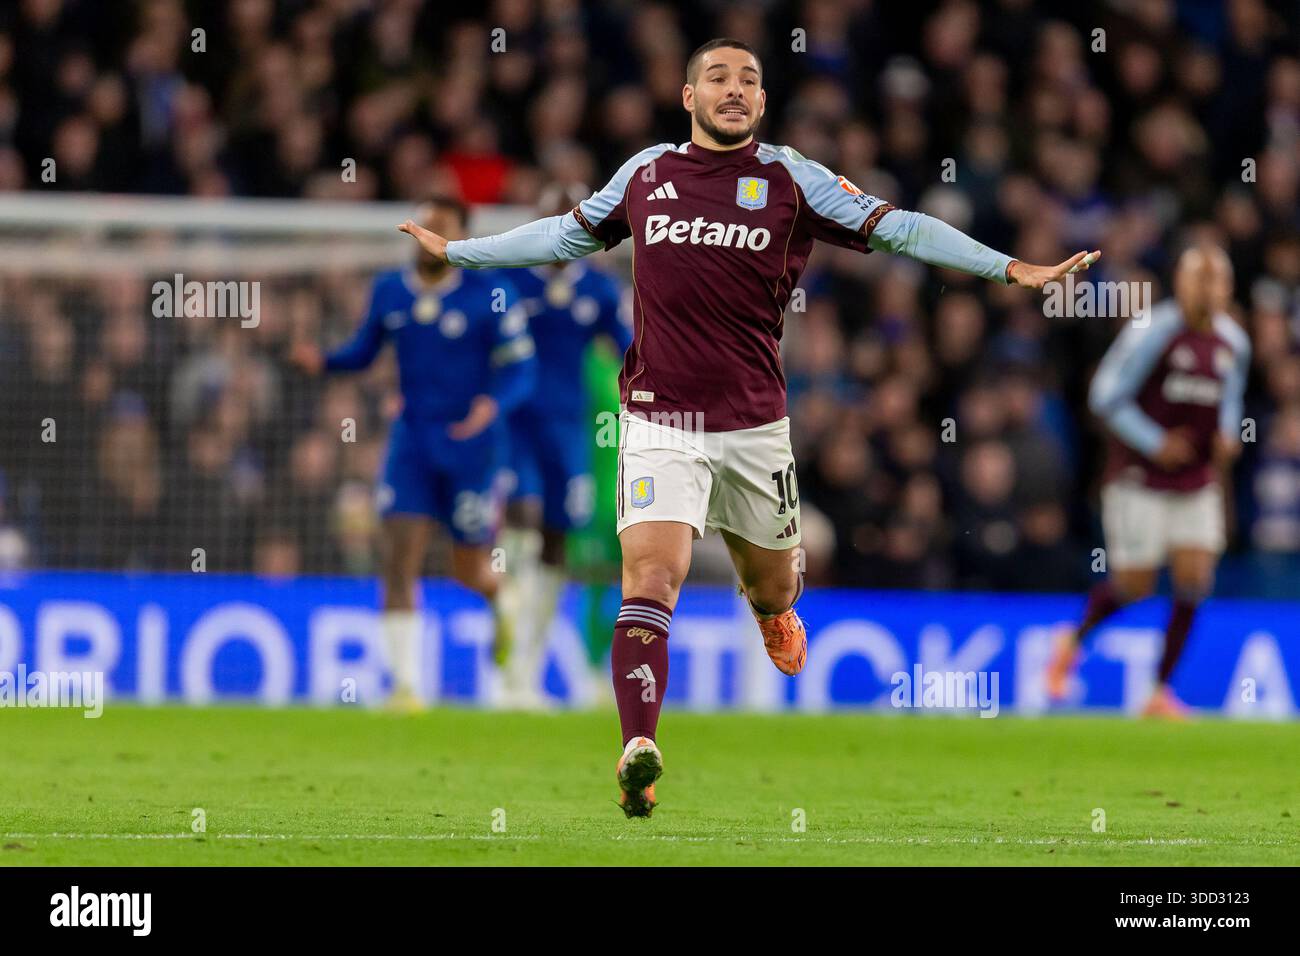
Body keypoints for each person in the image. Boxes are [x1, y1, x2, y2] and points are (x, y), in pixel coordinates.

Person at [397, 39, 1096, 815]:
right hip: (660, 420)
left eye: (750, 81)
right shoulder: (647, 176)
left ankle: (773, 611)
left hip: (756, 427)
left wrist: (1010, 267)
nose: (736, 90)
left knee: (773, 583)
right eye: (718, 78)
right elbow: (562, 234)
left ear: (761, 103)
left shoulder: (792, 177)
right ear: (689, 98)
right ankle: (639, 749)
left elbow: (900, 229)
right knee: (650, 579)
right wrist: (460, 252)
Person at [292, 195, 536, 711]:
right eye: (423, 224)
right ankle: (405, 687)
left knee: (465, 570)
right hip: (412, 443)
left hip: (472, 447)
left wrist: (491, 406)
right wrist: (324, 362)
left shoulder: (492, 291)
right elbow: (364, 351)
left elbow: (521, 369)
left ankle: (502, 596)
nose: (426, 234)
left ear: (463, 236)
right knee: (398, 556)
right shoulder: (389, 291)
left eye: (440, 226)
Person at [1046, 244, 1249, 718]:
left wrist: (1229, 433)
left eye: (1215, 279)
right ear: (1180, 283)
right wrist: (1154, 440)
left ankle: (1158, 691)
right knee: (1136, 584)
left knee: (1196, 576)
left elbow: (1232, 399)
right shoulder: (1152, 330)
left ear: (1227, 287)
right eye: (1198, 278)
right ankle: (1072, 638)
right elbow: (1104, 396)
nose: (1206, 289)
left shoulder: (1234, 342)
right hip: (1139, 476)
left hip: (1197, 479)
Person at [496, 182, 633, 710]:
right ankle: (504, 641)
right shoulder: (508, 282)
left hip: (568, 430)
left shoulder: (596, 292)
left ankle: (523, 672)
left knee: (556, 540)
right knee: (522, 519)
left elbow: (627, 350)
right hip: (515, 424)